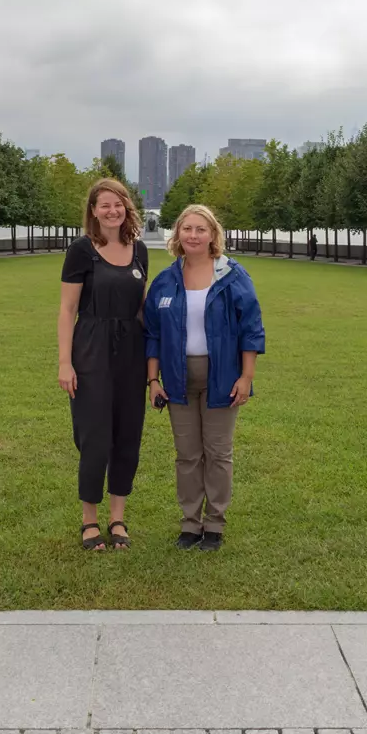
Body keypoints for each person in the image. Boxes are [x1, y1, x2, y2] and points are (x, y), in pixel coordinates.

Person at [145, 203, 265, 550]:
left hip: (223, 377)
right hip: (178, 379)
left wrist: (246, 377)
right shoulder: (166, 280)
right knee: (187, 455)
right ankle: (190, 524)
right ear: (177, 234)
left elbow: (251, 329)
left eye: (201, 229)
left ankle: (214, 524)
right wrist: (153, 381)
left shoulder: (232, 276)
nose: (193, 235)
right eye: (187, 229)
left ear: (213, 235)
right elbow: (151, 333)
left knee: (217, 453)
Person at [57, 177, 149, 550]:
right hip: (92, 348)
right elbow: (67, 309)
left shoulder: (139, 250)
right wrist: (65, 362)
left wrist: (152, 366)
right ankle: (89, 521)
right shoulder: (82, 251)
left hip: (132, 351)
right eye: (104, 205)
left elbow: (142, 308)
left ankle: (118, 518)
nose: (112, 210)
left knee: (127, 435)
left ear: (126, 208)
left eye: (118, 204)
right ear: (93, 211)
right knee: (95, 437)